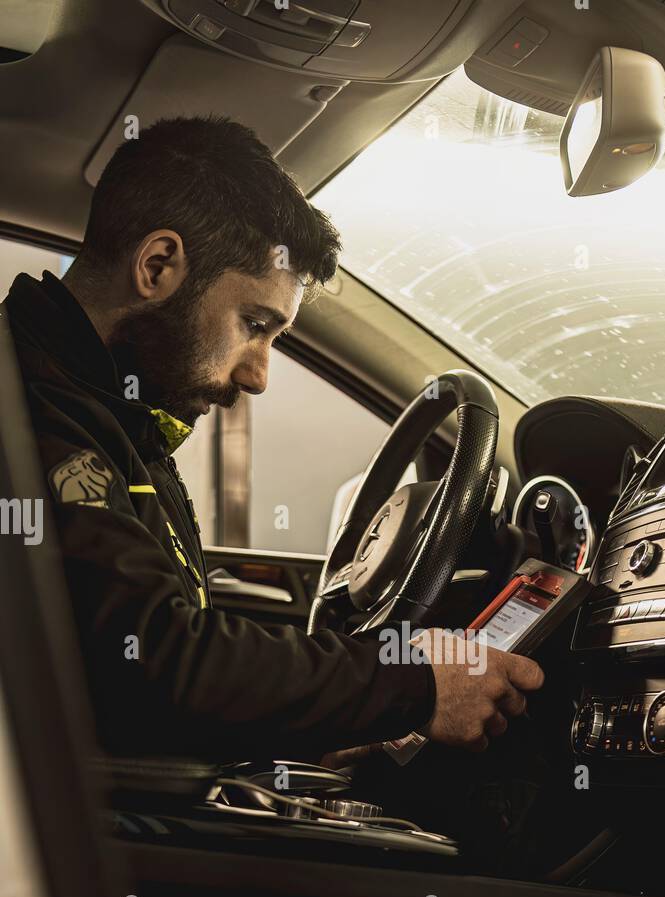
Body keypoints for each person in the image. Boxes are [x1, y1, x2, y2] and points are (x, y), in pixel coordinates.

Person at [5, 115, 542, 764]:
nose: (258, 375)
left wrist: (328, 718)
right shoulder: (30, 415)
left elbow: (165, 651)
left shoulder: (107, 412)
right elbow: (151, 662)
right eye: (253, 324)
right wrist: (414, 684)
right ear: (157, 265)